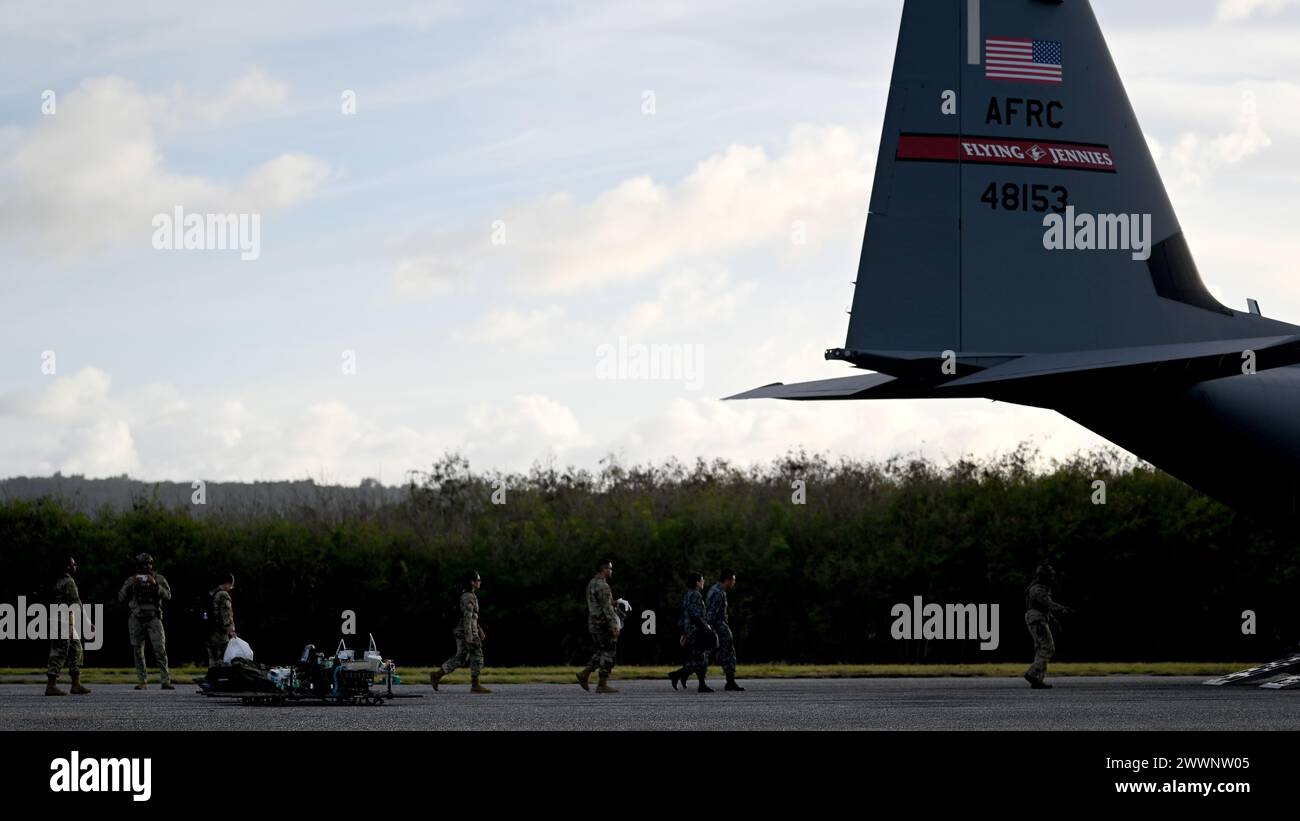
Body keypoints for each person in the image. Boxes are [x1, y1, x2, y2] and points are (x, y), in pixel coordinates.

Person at [117, 552, 172, 690]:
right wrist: (131, 585)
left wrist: (155, 586)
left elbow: (168, 596)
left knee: (160, 648)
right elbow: (121, 597)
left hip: (154, 617)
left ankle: (165, 680)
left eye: (149, 564)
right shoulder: (132, 580)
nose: (147, 567)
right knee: (137, 650)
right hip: (136, 617)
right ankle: (142, 680)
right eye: (144, 564)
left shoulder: (158, 578)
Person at [430, 570, 491, 693]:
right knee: (477, 653)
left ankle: (437, 675)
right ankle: (475, 684)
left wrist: (480, 630)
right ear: (472, 582)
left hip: (460, 629)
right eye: (478, 580)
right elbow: (468, 616)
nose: (480, 582)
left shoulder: (465, 594)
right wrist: (469, 635)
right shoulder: (468, 596)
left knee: (461, 657)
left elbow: (473, 616)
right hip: (466, 630)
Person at [46, 557, 90, 697]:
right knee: (60, 651)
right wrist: (87, 622)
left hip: (60, 618)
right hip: (62, 620)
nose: (75, 566)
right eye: (73, 564)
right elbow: (76, 602)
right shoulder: (68, 581)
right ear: (67, 567)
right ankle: (51, 686)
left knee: (76, 648)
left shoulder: (56, 580)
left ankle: (75, 684)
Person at [1024, 563, 1071, 689]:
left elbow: (1043, 606)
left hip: (1038, 617)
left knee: (1042, 648)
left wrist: (1053, 619)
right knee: (1047, 648)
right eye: (1050, 574)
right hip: (1037, 619)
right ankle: (1032, 673)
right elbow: (1046, 603)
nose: (1052, 576)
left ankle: (1038, 679)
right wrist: (1062, 609)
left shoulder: (1038, 586)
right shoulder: (1038, 588)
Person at [576, 558, 619, 693]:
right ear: (603, 569)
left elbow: (600, 604)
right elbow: (606, 607)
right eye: (610, 568)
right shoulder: (603, 586)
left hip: (594, 624)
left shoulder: (592, 583)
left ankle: (584, 674)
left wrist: (615, 602)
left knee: (601, 651)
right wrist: (614, 624)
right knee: (609, 653)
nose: (611, 571)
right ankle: (602, 684)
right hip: (603, 625)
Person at [669, 572, 714, 692]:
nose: (703, 582)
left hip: (690, 630)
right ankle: (677, 674)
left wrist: (684, 633)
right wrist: (706, 628)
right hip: (697, 631)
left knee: (698, 657)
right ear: (697, 582)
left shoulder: (688, 595)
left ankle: (701, 684)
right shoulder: (696, 595)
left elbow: (685, 615)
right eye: (702, 580)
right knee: (700, 660)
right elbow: (695, 615)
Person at [707, 569, 744, 691]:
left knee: (713, 655)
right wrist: (711, 630)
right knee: (728, 653)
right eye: (733, 580)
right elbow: (712, 614)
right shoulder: (718, 593)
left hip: (716, 626)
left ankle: (686, 674)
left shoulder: (715, 589)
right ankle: (730, 682)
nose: (734, 583)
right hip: (718, 627)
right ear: (727, 580)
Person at [206, 573, 236, 668]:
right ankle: (220, 680)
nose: (231, 588)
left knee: (212, 659)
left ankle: (212, 679)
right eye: (231, 586)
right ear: (227, 583)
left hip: (209, 631)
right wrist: (231, 630)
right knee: (223, 658)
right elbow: (226, 614)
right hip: (219, 633)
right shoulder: (223, 594)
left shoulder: (212, 593)